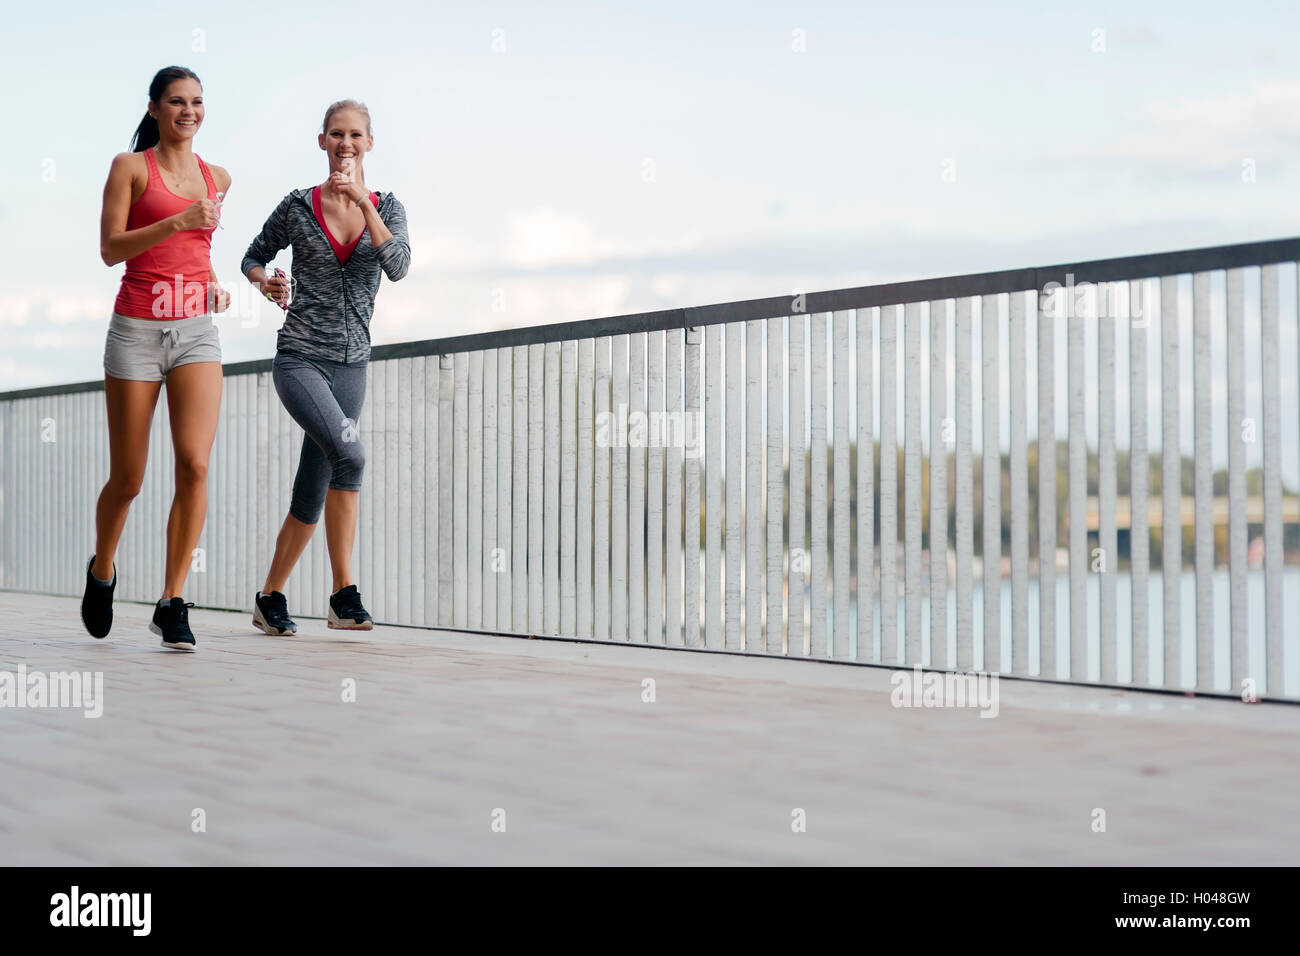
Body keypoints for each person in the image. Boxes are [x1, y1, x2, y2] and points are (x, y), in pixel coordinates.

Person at [242, 99, 410, 636]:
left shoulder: (389, 207)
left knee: (314, 486)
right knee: (352, 456)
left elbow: (399, 266)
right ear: (321, 141)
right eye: (336, 134)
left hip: (352, 366)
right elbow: (253, 254)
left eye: (355, 135)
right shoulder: (297, 205)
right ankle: (343, 593)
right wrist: (263, 282)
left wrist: (364, 203)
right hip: (300, 359)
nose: (345, 143)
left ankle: (269, 598)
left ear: (369, 143)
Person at [81, 66, 231, 651]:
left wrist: (215, 284)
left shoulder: (217, 177)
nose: (187, 111)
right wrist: (177, 217)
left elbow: (195, 248)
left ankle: (172, 602)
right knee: (130, 478)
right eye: (176, 101)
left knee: (194, 465)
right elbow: (109, 250)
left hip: (196, 330)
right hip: (136, 333)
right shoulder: (129, 167)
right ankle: (103, 569)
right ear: (154, 108)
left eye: (196, 102)